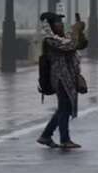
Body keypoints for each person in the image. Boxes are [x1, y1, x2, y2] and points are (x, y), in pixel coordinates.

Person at [37, 12, 88, 150]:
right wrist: (76, 31)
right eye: (57, 23)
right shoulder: (50, 40)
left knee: (63, 108)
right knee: (64, 108)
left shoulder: (64, 37)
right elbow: (70, 46)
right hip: (59, 77)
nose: (60, 26)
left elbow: (80, 45)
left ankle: (46, 135)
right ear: (51, 26)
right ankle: (65, 139)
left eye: (61, 23)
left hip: (70, 76)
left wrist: (80, 32)